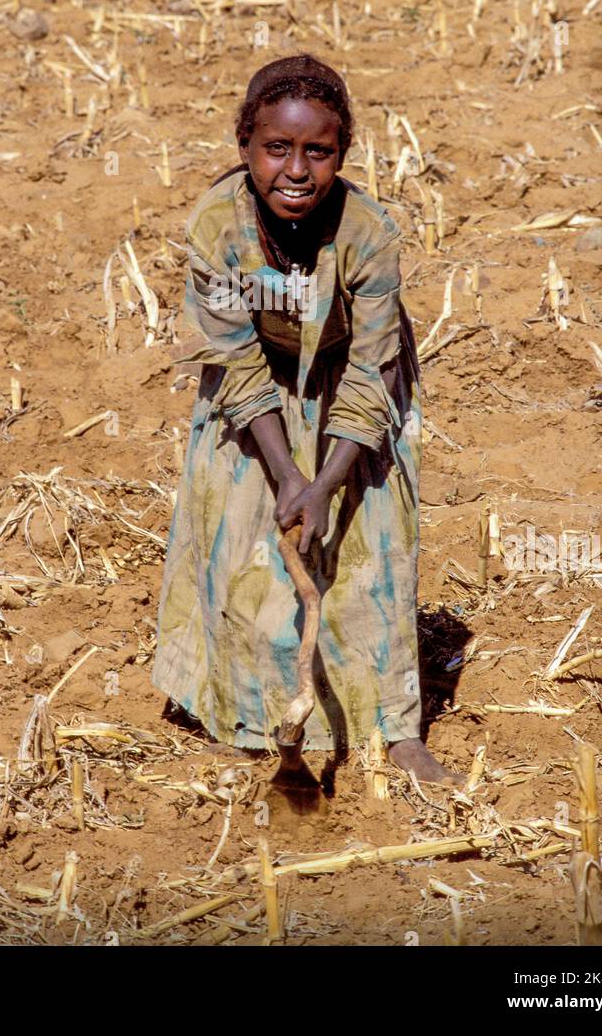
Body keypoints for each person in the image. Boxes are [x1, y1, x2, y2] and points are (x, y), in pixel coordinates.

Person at [152, 54, 462, 783]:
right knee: (239, 539)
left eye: (317, 151)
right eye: (276, 149)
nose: (296, 170)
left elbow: (370, 370)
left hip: (356, 378)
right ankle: (242, 711)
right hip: (253, 383)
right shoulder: (216, 229)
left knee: (372, 546)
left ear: (342, 154)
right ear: (245, 149)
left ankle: (394, 724)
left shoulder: (369, 234)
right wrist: (287, 471)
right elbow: (234, 361)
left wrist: (324, 482)